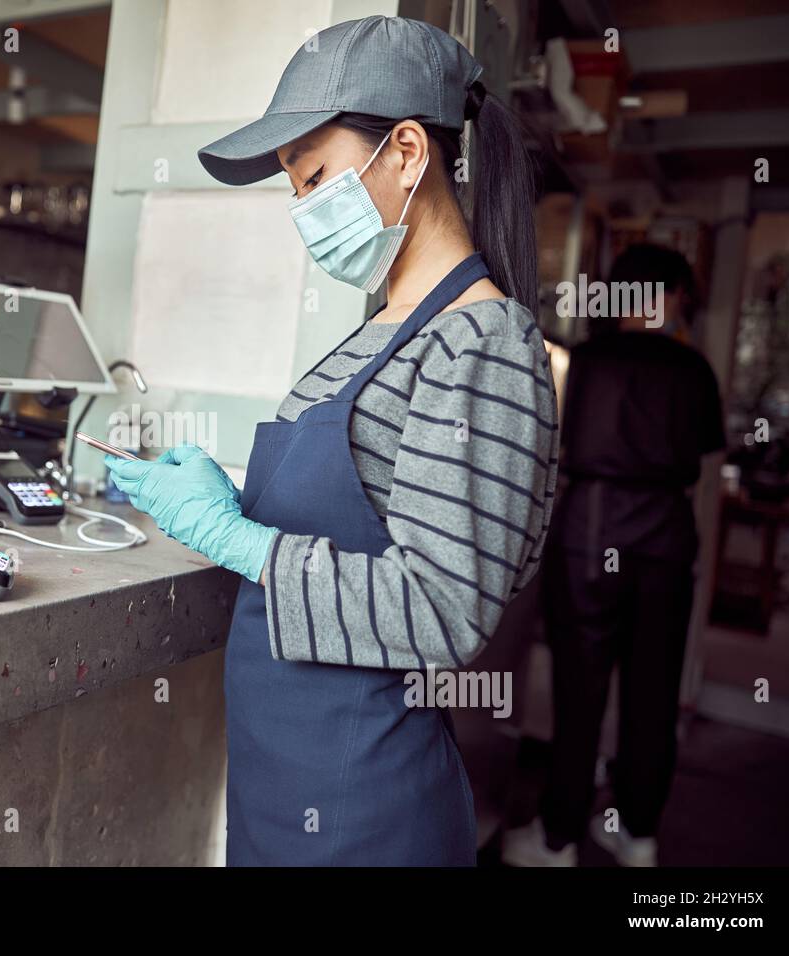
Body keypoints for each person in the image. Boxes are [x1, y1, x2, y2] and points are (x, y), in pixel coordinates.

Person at [103, 16, 557, 866]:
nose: (302, 209)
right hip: (283, 787)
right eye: (293, 186)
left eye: (313, 177)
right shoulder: (381, 331)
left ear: (409, 152)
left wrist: (242, 540)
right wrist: (229, 503)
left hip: (365, 811)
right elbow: (353, 527)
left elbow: (442, 608)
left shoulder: (481, 343)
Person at [502, 243, 725, 867]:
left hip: (589, 533)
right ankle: (637, 834)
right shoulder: (695, 370)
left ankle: (557, 839)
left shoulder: (583, 364)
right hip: (665, 537)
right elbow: (703, 466)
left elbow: (547, 447)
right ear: (672, 294)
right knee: (654, 692)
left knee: (579, 690)